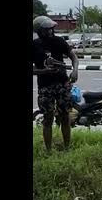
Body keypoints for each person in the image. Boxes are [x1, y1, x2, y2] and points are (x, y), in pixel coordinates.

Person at [32, 15, 78, 152]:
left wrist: (75, 70)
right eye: (48, 29)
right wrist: (43, 71)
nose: (51, 31)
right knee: (47, 119)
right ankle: (48, 151)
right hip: (45, 87)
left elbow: (73, 56)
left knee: (65, 117)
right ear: (40, 31)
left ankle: (67, 148)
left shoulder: (59, 41)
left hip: (62, 84)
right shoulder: (34, 46)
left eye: (52, 29)